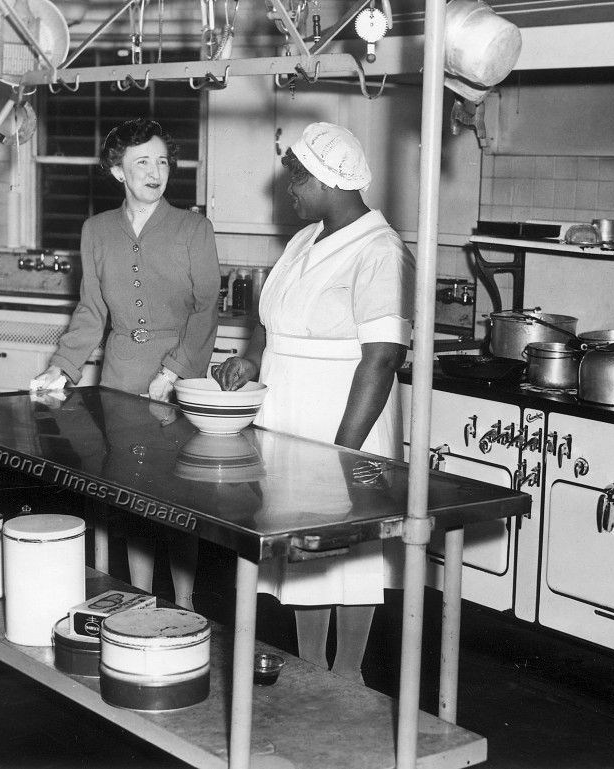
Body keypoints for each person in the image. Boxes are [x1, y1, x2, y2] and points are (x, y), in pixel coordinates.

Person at [213, 122, 414, 682]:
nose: (289, 191)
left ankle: (347, 680)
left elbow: (382, 358)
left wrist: (342, 457)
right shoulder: (306, 239)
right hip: (289, 417)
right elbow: (273, 324)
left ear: (327, 180)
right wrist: (252, 360)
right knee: (301, 553)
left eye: (296, 179)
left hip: (343, 424)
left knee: (349, 555)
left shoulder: (381, 251)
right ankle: (310, 670)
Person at [30, 117, 221, 610]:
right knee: (132, 495)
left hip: (179, 377)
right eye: (142, 162)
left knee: (178, 500)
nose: (156, 172)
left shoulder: (192, 228)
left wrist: (173, 371)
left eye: (162, 161)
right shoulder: (96, 230)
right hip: (118, 374)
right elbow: (92, 309)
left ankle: (186, 606)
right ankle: (140, 601)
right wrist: (63, 368)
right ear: (118, 171)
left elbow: (205, 309)